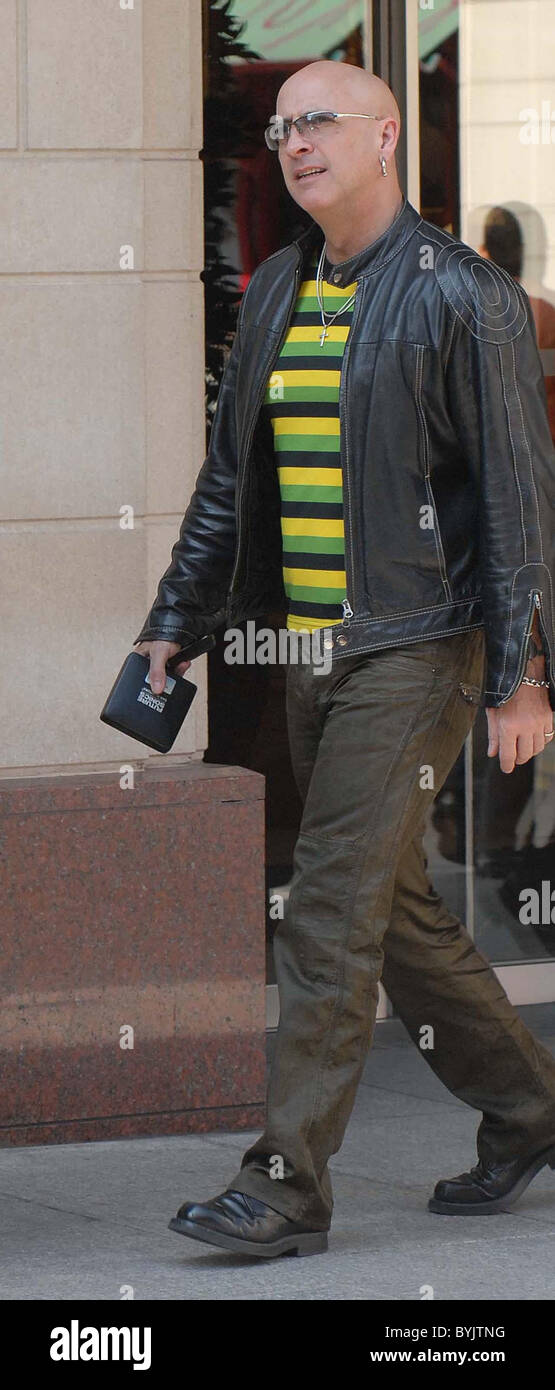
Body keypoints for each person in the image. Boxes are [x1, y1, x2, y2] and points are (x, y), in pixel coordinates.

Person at [133, 61, 555, 1259]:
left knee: (325, 907)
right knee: (396, 909)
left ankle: (282, 1185)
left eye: (319, 121)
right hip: (314, 652)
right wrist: (175, 617)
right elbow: (227, 484)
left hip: (420, 644)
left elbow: (523, 498)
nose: (294, 142)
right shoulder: (276, 288)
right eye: (282, 127)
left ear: (384, 140)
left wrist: (523, 673)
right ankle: (532, 1109)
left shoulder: (464, 296)